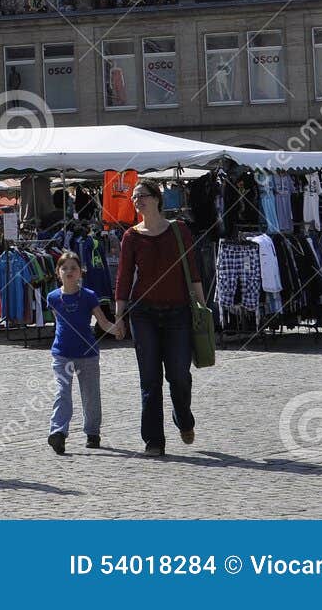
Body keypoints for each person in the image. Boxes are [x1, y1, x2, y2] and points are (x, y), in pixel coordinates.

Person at [115, 179, 207, 456]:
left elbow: (193, 271)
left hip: (178, 312)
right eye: (134, 197)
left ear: (157, 198)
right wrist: (119, 316)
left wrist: (203, 311)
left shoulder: (178, 230)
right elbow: (123, 278)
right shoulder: (131, 236)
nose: (137, 200)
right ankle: (153, 440)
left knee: (179, 374)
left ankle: (184, 418)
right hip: (143, 314)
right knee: (150, 379)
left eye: (142, 195)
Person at [46, 249, 121, 454]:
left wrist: (117, 330)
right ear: (57, 272)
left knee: (90, 395)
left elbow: (103, 322)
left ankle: (92, 432)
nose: (69, 271)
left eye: (73, 268)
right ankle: (58, 433)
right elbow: (58, 324)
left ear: (81, 272)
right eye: (64, 268)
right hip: (62, 354)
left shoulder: (89, 296)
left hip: (88, 354)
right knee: (62, 393)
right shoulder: (52, 297)